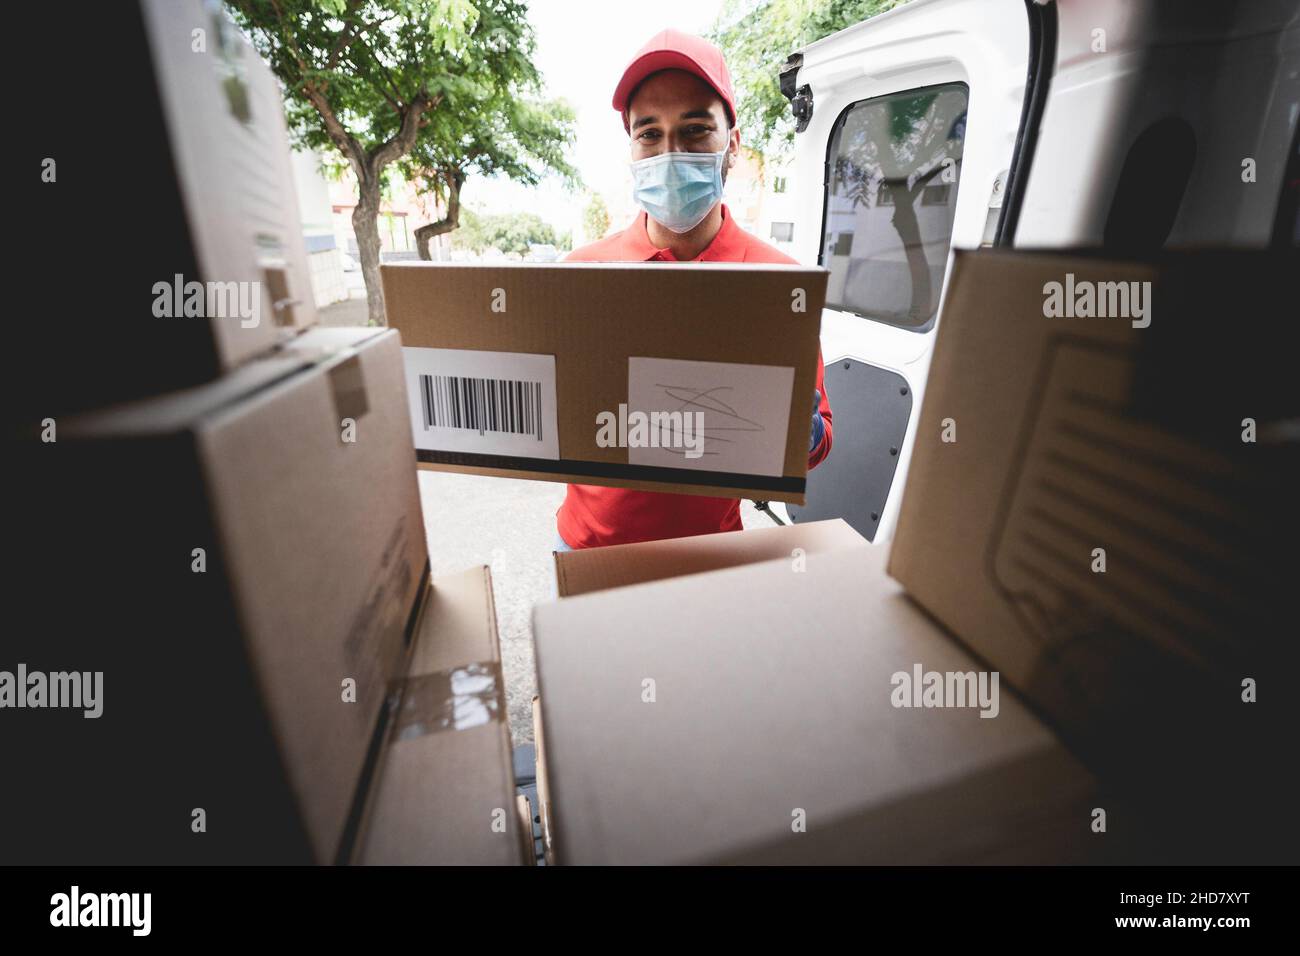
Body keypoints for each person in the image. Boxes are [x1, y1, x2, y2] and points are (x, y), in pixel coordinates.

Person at [555, 28, 832, 552]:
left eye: (696, 129)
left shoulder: (778, 285)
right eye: (650, 134)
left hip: (710, 554)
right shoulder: (578, 275)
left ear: (733, 141)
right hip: (585, 550)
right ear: (632, 149)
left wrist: (804, 433)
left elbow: (813, 448)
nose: (670, 153)